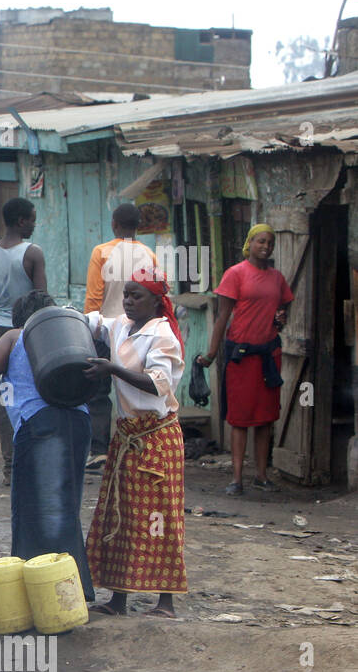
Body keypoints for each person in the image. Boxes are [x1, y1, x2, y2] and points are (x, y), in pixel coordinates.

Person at [0, 290, 94, 600]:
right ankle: (75, 588)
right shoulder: (70, 332)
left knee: (33, 510)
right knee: (65, 507)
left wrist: (11, 342)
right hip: (78, 422)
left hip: (41, 425)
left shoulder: (17, 334)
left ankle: (44, 593)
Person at [83, 267, 187, 618]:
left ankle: (166, 601)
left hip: (156, 436)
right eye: (125, 294)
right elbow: (88, 321)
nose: (127, 301)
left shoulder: (162, 336)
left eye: (136, 295)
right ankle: (118, 598)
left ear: (157, 301)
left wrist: (111, 369)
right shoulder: (119, 326)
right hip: (128, 434)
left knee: (161, 516)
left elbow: (157, 384)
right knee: (122, 513)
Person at [195, 224, 293, 495]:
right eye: (261, 241)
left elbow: (284, 306)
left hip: (269, 355)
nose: (266, 247)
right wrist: (211, 354)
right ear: (250, 244)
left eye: (270, 243)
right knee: (239, 419)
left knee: (265, 418)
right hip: (241, 355)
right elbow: (222, 317)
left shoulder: (277, 278)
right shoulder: (235, 274)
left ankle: (261, 476)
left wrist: (280, 318)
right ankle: (236, 479)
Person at [83, 204, 156, 459]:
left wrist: (90, 334)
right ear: (138, 226)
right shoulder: (149, 255)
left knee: (99, 393)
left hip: (106, 330)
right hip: (139, 332)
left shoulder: (102, 252)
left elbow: (94, 297)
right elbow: (156, 295)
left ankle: (99, 450)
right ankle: (137, 448)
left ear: (114, 223)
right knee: (135, 390)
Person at [0, 197, 48, 484]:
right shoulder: (32, 253)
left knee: (5, 401)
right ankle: (33, 462)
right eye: (33, 219)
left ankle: (10, 467)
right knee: (36, 396)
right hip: (28, 333)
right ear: (22, 221)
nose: (34, 224)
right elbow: (41, 300)